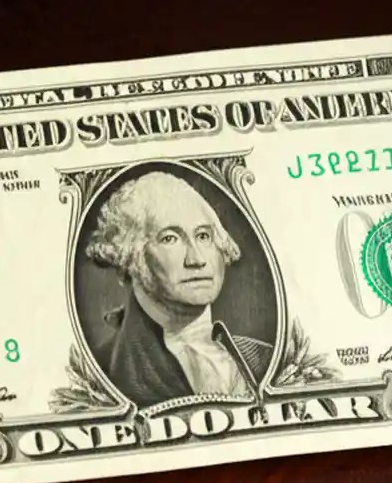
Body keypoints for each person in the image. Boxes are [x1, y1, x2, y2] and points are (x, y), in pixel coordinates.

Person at [85, 170, 271, 407]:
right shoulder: (100, 376)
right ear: (129, 256)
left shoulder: (262, 357)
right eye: (170, 238)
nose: (197, 259)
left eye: (203, 236)